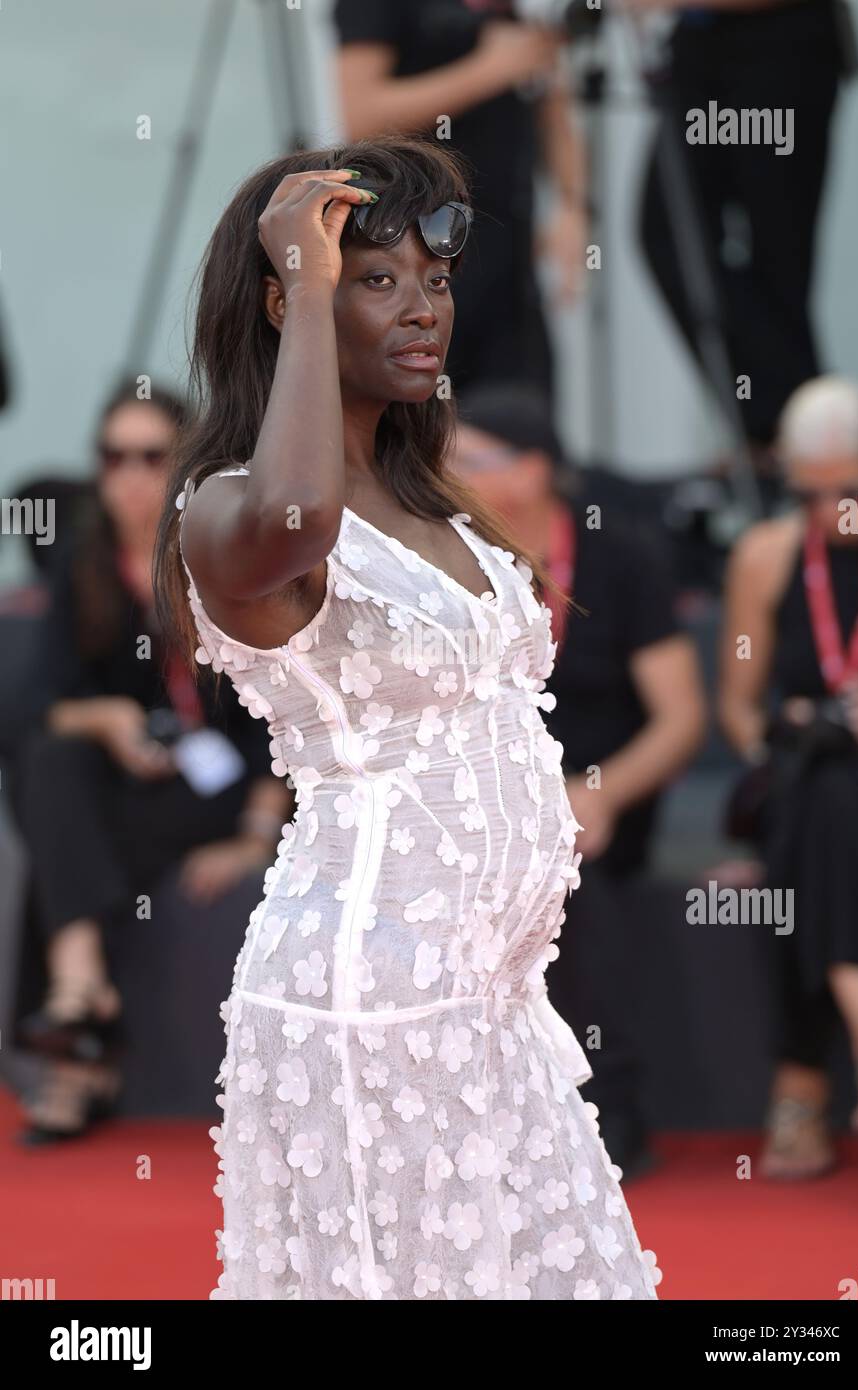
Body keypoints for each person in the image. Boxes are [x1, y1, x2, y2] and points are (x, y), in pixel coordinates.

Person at [155, 135, 662, 1299]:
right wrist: (306, 268)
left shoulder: (437, 502)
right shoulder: (231, 507)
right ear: (286, 300)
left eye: (431, 280)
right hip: (363, 1007)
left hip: (493, 1006)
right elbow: (297, 511)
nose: (420, 307)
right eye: (371, 277)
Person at [12, 382, 291, 1143]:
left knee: (60, 838)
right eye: (111, 457)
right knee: (53, 764)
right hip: (140, 781)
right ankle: (81, 986)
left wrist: (255, 840)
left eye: (149, 456)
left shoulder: (229, 552)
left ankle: (75, 1050)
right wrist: (108, 721)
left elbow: (287, 713)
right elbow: (40, 699)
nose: (128, 476)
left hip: (229, 785)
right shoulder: (85, 557)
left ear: (186, 465)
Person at [451, 383, 707, 1178]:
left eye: (469, 459)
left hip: (601, 790)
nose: (447, 474)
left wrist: (599, 790)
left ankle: (607, 1106)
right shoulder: (447, 556)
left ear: (533, 470)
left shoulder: (619, 557)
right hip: (481, 790)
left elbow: (681, 718)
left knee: (564, 857)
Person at [718, 376, 858, 1179]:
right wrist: (781, 740)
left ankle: (803, 1081)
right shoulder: (766, 557)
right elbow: (738, 709)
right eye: (808, 494)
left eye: (850, 493)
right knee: (819, 799)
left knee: (817, 838)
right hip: (809, 791)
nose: (831, 512)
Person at [332, 0, 589, 402]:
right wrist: (490, 69)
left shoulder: (516, 10)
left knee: (525, 429)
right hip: (413, 252)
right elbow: (358, 116)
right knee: (424, 421)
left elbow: (554, 107)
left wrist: (573, 207)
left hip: (509, 263)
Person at [631, 0, 849, 449]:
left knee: (780, 260)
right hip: (703, 49)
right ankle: (781, 426)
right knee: (669, 234)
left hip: (779, 50)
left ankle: (799, 434)